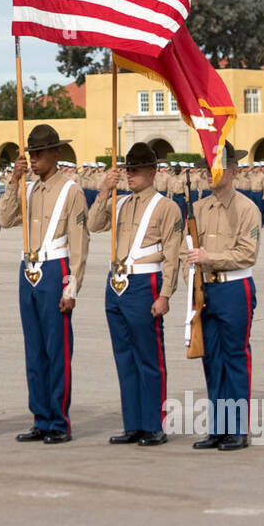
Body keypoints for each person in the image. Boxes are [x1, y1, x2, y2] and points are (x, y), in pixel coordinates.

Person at [0, 124, 89, 444]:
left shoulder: (71, 191)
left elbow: (79, 245)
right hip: (28, 270)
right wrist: (14, 181)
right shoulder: (30, 190)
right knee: (34, 351)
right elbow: (5, 219)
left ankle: (59, 422)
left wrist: (71, 288)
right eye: (31, 154)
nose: (34, 160)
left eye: (39, 154)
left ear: (56, 153)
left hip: (55, 269)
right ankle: (40, 417)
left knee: (56, 350)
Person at [88, 142, 183, 446]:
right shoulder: (120, 202)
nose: (130, 175)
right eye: (128, 170)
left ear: (152, 172)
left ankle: (154, 424)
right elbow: (93, 224)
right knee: (125, 358)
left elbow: (172, 254)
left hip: (145, 283)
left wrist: (165, 294)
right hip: (116, 283)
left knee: (149, 357)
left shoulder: (166, 207)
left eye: (137, 170)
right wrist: (105, 190)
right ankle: (133, 424)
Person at [183, 141, 260, 451]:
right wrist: (191, 280)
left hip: (234, 288)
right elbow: (186, 251)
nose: (209, 172)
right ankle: (218, 427)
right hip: (205, 289)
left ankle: (238, 428)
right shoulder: (198, 209)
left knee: (235, 358)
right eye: (207, 167)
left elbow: (248, 254)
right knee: (212, 360)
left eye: (216, 167)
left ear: (233, 171)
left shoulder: (246, 209)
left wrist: (209, 258)